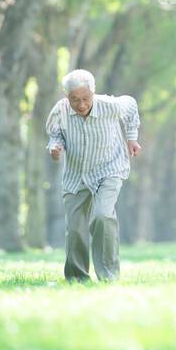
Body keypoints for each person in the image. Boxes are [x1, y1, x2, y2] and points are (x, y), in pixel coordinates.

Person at [45, 69, 141, 283]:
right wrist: (55, 147)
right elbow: (55, 135)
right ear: (66, 96)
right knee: (75, 227)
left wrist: (132, 138)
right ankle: (77, 278)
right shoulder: (60, 111)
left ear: (93, 93)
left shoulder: (111, 105)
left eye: (86, 98)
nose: (81, 105)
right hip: (76, 175)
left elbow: (131, 105)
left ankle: (109, 276)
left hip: (109, 169)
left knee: (103, 215)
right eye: (74, 100)